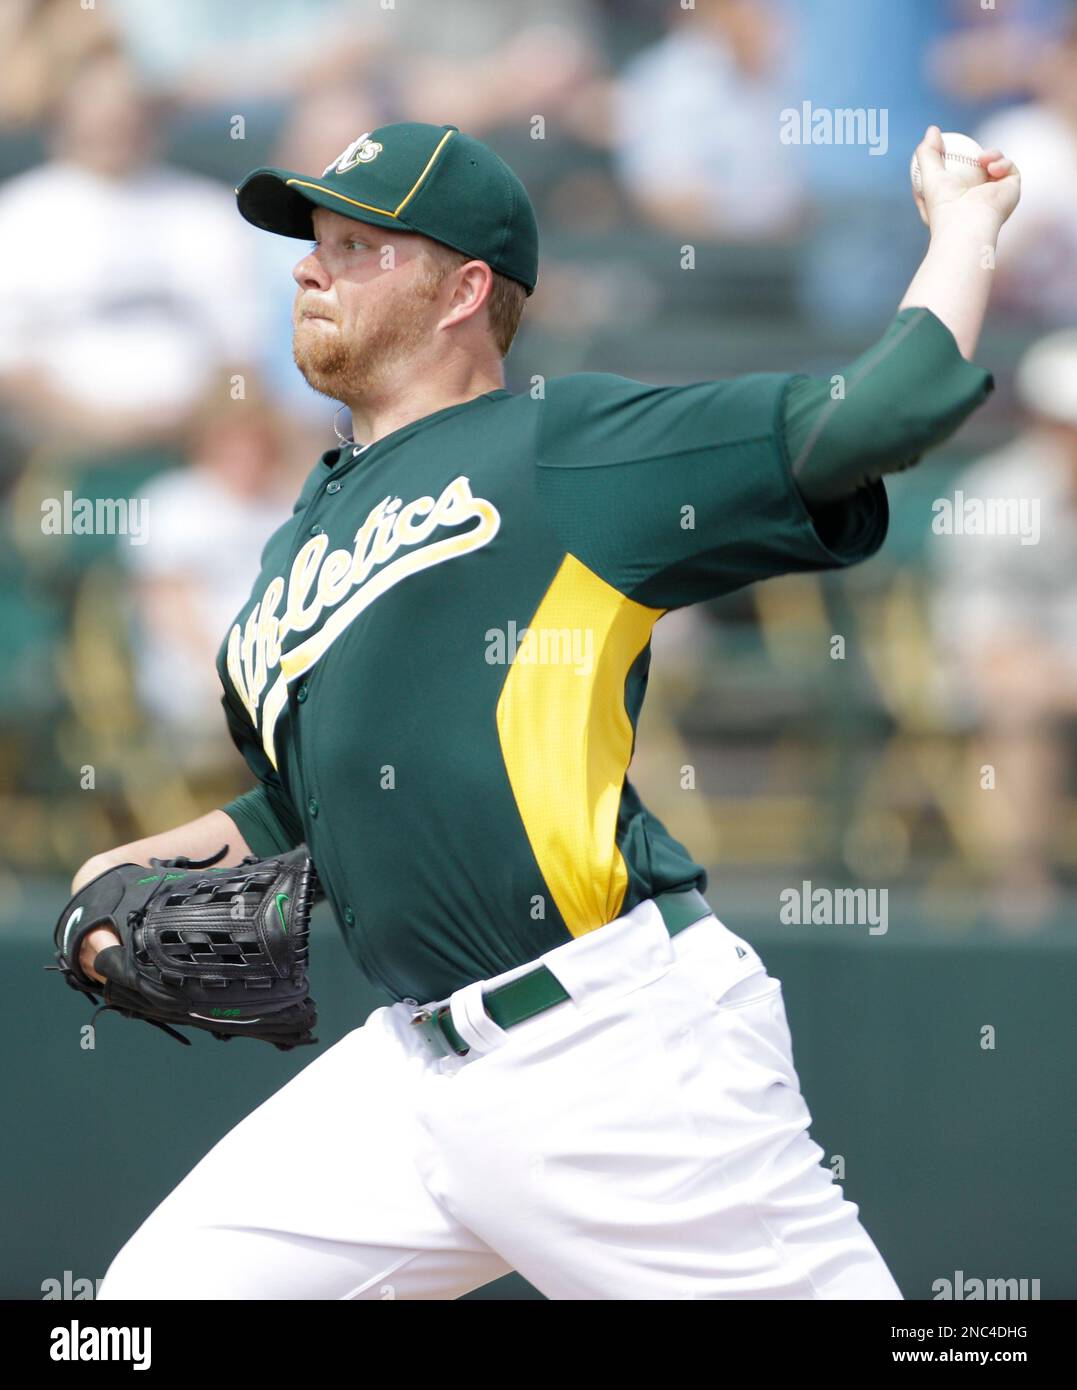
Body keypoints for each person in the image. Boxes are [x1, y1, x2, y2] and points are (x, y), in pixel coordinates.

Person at [73, 120, 1018, 1299]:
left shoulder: (562, 447)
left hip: (611, 1054)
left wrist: (966, 227)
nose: (312, 266)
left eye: (360, 244)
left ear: (466, 289)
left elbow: (883, 407)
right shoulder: (290, 554)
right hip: (407, 1076)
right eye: (315, 241)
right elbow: (296, 807)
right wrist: (127, 868)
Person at [930, 329, 1077, 930]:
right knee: (1017, 704)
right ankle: (1024, 894)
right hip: (1010, 678)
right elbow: (991, 648)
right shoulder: (992, 498)